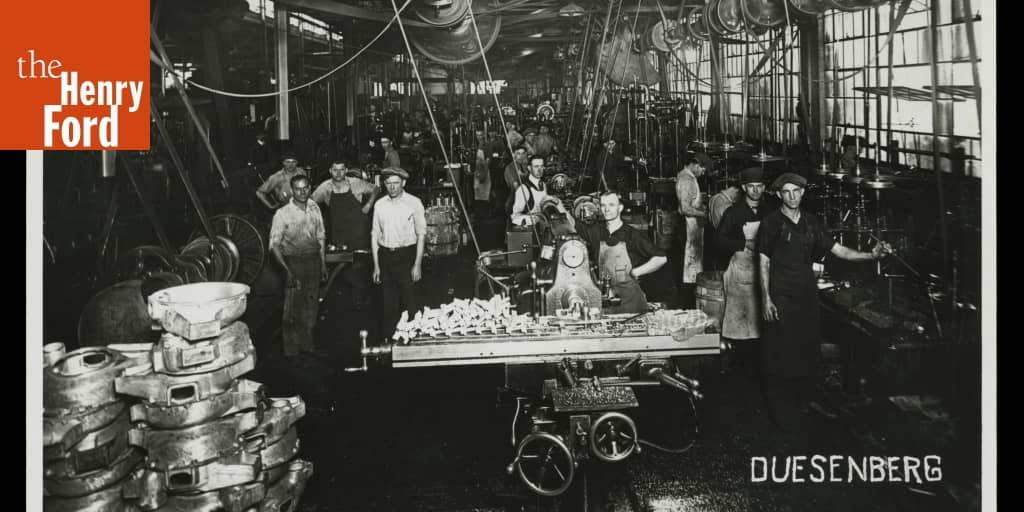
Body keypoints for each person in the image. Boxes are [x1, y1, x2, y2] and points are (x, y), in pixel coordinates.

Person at [757, 172, 891, 408]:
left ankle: (803, 400)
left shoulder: (812, 222)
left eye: (796, 191)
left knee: (807, 347)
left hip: (807, 294)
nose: (792, 196)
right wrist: (766, 299)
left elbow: (839, 250)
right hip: (781, 295)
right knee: (781, 351)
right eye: (786, 192)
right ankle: (780, 405)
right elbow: (764, 262)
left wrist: (871, 255)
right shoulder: (771, 223)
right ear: (779, 195)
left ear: (803, 192)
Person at [580, 191, 667, 314]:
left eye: (611, 205)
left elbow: (661, 257)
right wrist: (555, 204)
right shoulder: (597, 232)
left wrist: (637, 271)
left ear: (620, 208)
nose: (607, 209)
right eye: (603, 205)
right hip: (607, 300)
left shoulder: (633, 235)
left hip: (631, 304)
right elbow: (574, 225)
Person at [268, 174, 327, 357]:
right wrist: (287, 271)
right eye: (298, 188)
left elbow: (320, 238)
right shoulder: (282, 213)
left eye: (306, 188)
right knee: (293, 308)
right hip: (293, 262)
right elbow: (273, 246)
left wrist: (323, 264)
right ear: (291, 191)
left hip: (313, 261)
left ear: (310, 188)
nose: (302, 192)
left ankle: (307, 345)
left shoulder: (315, 208)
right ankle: (292, 352)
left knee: (311, 306)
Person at [715, 168, 768, 354]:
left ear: (764, 187)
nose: (756, 191)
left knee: (761, 328)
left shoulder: (769, 212)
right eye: (751, 186)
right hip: (740, 273)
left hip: (764, 271)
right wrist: (745, 243)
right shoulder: (733, 213)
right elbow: (719, 241)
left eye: (759, 186)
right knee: (740, 327)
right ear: (744, 188)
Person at [371, 167, 427, 339]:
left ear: (404, 183)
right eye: (388, 183)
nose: (392, 187)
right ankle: (389, 346)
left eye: (396, 183)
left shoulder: (414, 203)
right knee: (389, 305)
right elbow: (375, 235)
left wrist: (417, 264)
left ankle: (414, 345)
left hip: (407, 256)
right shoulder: (379, 204)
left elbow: (421, 235)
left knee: (411, 302)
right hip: (386, 256)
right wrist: (376, 266)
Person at [312, 161, 379, 250]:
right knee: (341, 257)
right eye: (335, 170)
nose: (338, 173)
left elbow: (376, 189)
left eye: (341, 170)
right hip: (339, 231)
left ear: (346, 170)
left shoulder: (356, 182)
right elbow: (311, 202)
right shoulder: (325, 187)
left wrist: (369, 205)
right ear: (330, 171)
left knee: (360, 259)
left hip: (359, 230)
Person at [675, 152, 713, 307]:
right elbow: (685, 208)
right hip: (688, 230)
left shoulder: (689, 177)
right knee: (688, 273)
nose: (703, 173)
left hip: (693, 229)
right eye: (703, 169)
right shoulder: (686, 179)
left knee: (691, 272)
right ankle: (687, 307)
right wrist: (705, 213)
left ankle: (689, 303)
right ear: (696, 164)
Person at [510, 156, 572, 228]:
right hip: (534, 231)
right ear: (529, 168)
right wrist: (533, 219)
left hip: (546, 226)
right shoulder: (523, 189)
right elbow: (514, 216)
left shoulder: (543, 185)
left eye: (541, 166)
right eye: (536, 167)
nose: (539, 170)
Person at [504, 146, 530, 216]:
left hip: (529, 200)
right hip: (514, 202)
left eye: (523, 153)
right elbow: (515, 186)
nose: (521, 156)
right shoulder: (510, 168)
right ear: (514, 155)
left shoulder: (528, 166)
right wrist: (525, 176)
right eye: (518, 153)